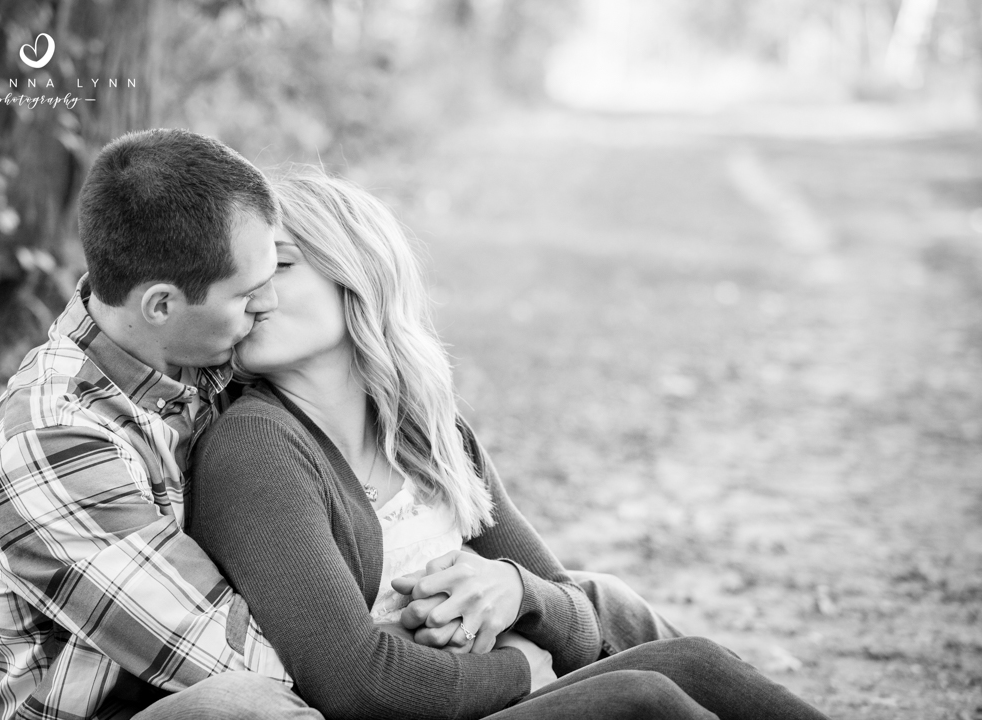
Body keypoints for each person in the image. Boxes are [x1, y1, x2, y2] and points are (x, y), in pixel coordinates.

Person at [188, 169, 833, 719]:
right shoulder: (256, 448)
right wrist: (521, 668)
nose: (254, 295)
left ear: (354, 268)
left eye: (282, 265)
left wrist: (514, 591)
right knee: (642, 699)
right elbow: (357, 684)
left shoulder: (427, 436)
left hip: (483, 699)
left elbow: (581, 623)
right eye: (241, 278)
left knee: (695, 662)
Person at [0, 129, 325, 720]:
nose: (270, 306)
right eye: (247, 294)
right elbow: (236, 659)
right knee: (251, 708)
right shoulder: (52, 441)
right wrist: (384, 655)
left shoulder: (194, 358)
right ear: (161, 305)